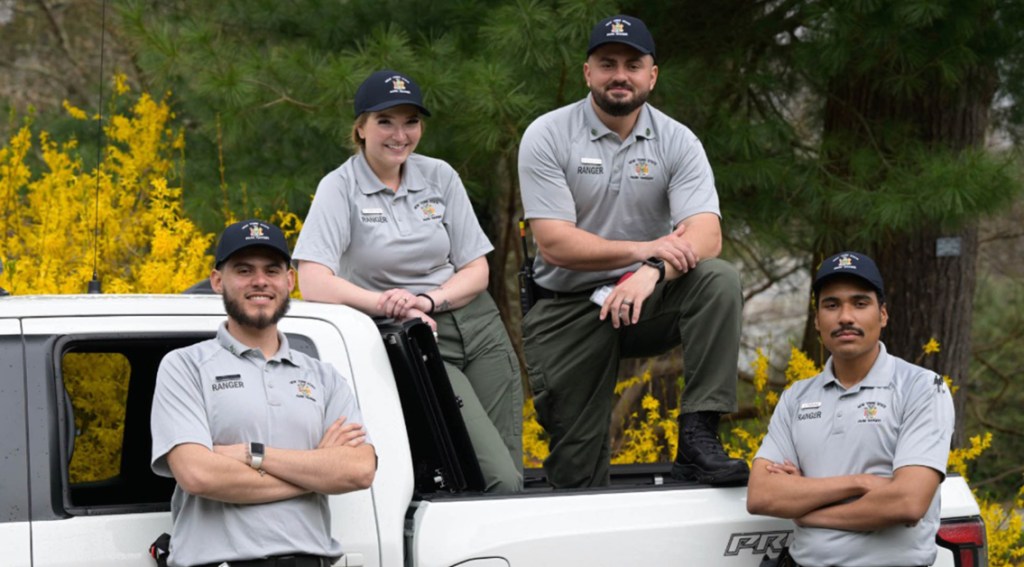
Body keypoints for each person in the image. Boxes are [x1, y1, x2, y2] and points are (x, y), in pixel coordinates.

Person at [516, 14, 748, 488]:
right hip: (568, 308)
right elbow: (554, 243)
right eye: (607, 64)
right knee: (577, 473)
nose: (620, 75)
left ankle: (698, 438)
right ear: (588, 73)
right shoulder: (548, 134)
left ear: (652, 75)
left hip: (646, 303)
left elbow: (706, 235)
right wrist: (644, 250)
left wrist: (652, 270)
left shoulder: (678, 141)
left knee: (718, 280)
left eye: (632, 65)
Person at [293, 70, 523, 494]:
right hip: (415, 338)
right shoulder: (339, 187)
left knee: (512, 473)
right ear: (361, 128)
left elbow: (477, 269)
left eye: (411, 122)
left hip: (479, 326)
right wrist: (389, 304)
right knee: (497, 477)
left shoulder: (439, 175)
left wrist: (427, 300)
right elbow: (313, 282)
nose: (400, 135)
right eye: (385, 121)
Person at [150, 219, 377, 567]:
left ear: (289, 281)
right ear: (217, 281)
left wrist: (251, 454)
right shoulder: (184, 367)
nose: (260, 281)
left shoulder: (324, 377)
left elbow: (358, 470)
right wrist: (317, 473)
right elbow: (198, 475)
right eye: (244, 270)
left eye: (272, 270)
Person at [746, 251, 955, 567]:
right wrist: (861, 483)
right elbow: (762, 495)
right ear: (817, 321)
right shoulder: (795, 398)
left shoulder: (922, 387)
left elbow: (908, 502)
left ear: (882, 314)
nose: (845, 316)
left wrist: (807, 511)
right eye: (831, 305)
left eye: (860, 303)